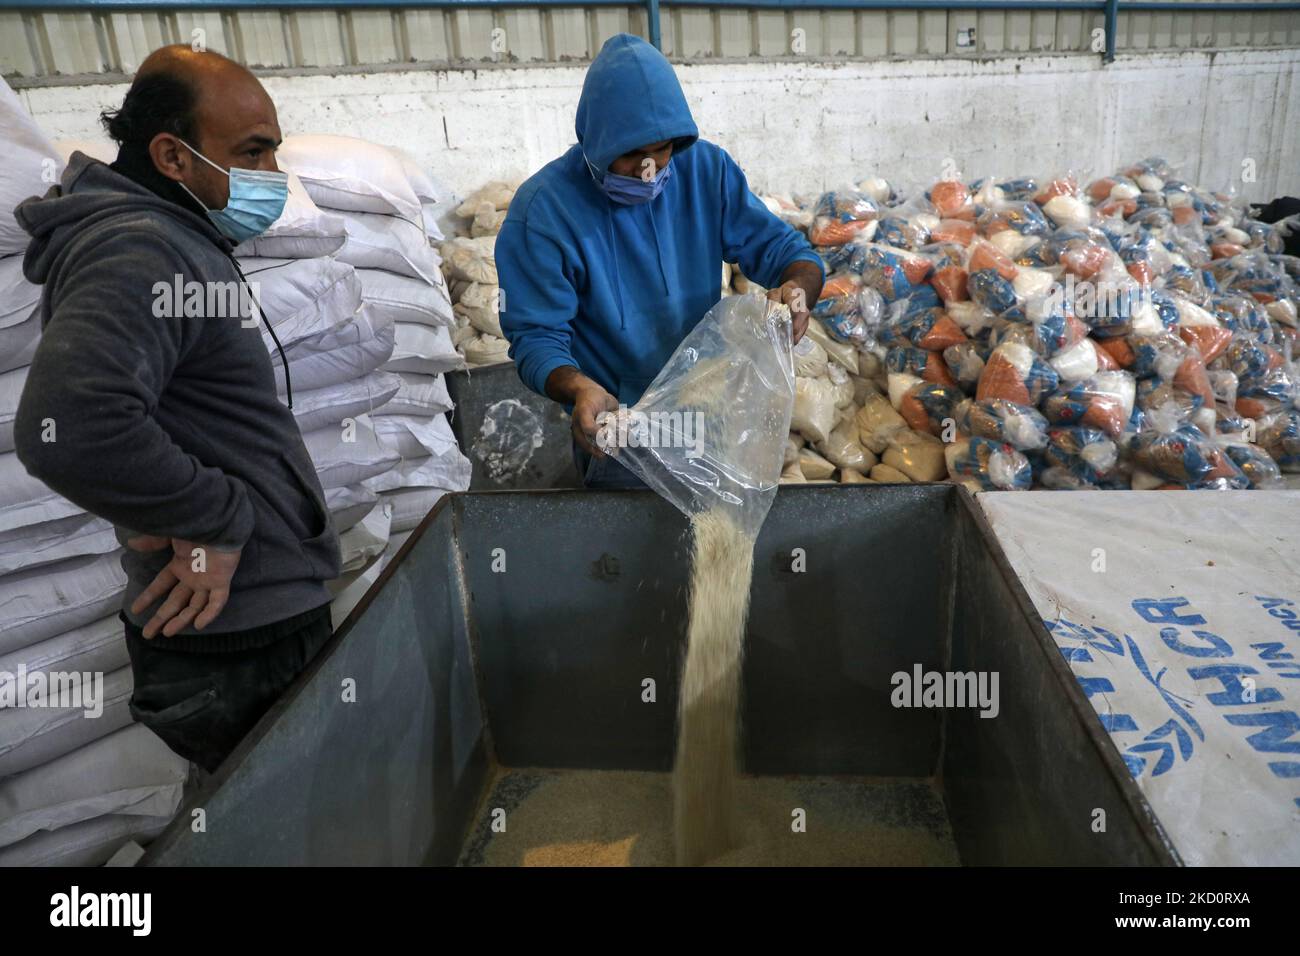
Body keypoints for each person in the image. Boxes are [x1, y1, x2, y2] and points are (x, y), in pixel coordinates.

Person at [13, 45, 341, 774]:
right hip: (239, 635)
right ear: (171, 156)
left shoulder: (169, 238)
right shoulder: (141, 251)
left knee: (268, 824)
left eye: (273, 154)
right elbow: (67, 426)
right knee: (298, 825)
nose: (270, 178)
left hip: (241, 620)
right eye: (252, 154)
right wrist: (216, 516)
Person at [495, 33, 824, 488]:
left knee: (719, 542)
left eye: (663, 149)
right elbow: (535, 336)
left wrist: (798, 291)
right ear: (595, 142)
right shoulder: (544, 212)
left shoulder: (706, 172)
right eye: (630, 154)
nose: (648, 168)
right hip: (620, 431)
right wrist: (578, 388)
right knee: (627, 553)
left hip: (711, 416)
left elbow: (788, 254)